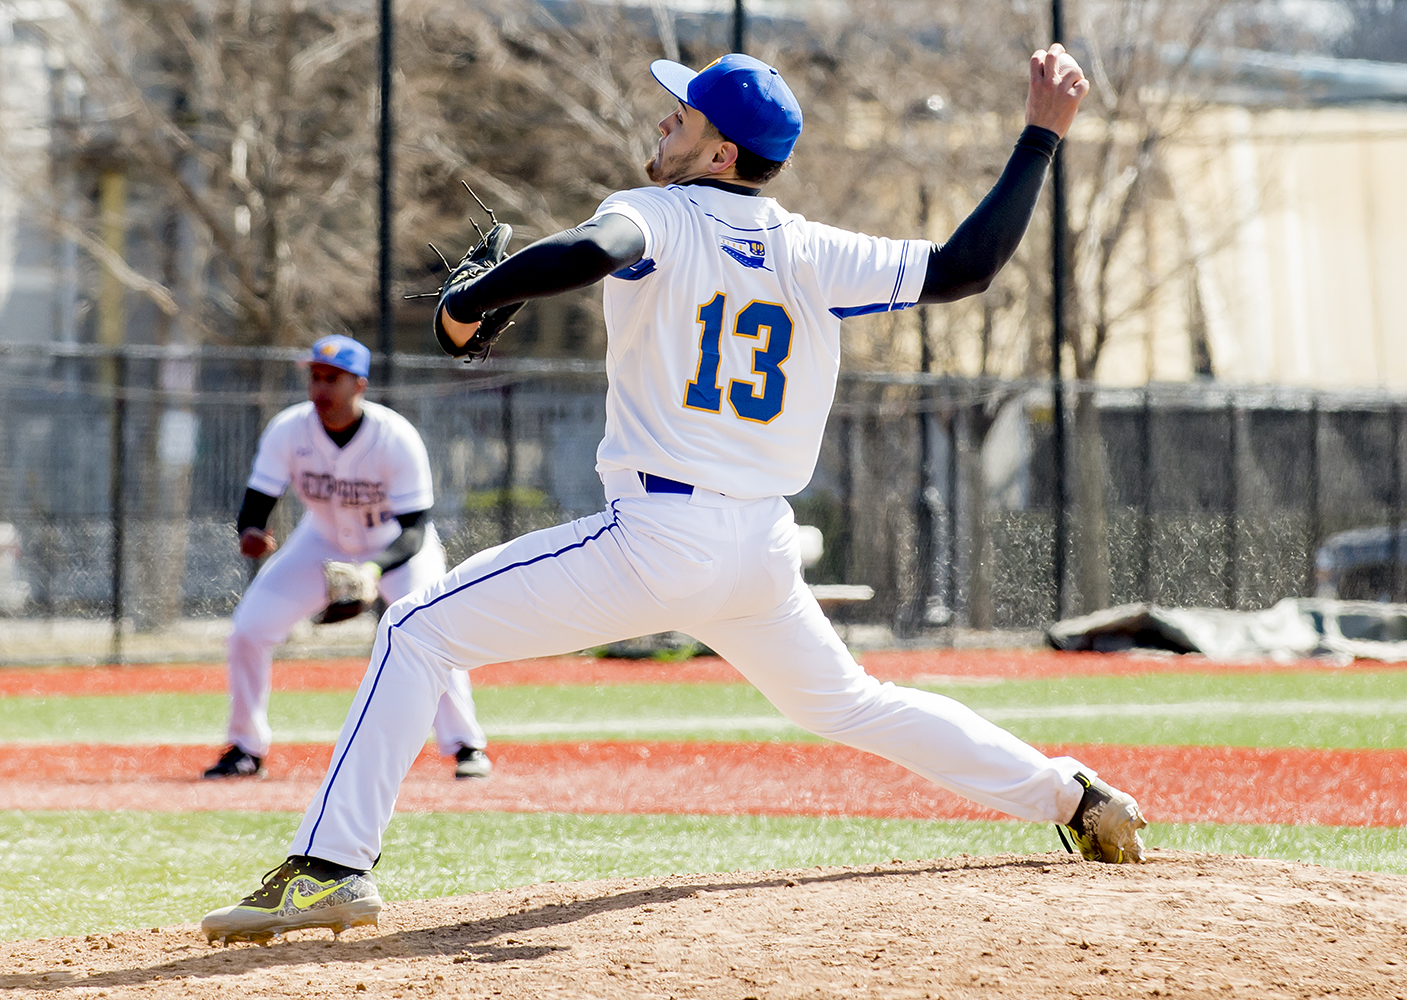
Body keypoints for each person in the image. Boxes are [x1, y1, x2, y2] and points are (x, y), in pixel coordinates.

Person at [202, 45, 1147, 945]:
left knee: (416, 628)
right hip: (761, 549)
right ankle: (1072, 796)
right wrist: (1041, 135)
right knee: (854, 704)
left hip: (659, 539)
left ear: (721, 153)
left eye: (684, 114)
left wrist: (469, 300)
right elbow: (967, 266)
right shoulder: (815, 249)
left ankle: (330, 867)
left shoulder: (658, 212)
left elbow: (595, 246)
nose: (665, 120)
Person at [202, 334, 492, 783]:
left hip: (394, 546)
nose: (320, 388)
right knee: (248, 630)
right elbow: (257, 502)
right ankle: (245, 748)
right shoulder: (289, 429)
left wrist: (372, 571)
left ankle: (466, 744)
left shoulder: (395, 437)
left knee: (431, 629)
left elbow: (414, 529)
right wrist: (250, 532)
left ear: (359, 385)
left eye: (332, 379)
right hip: (321, 540)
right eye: (315, 377)